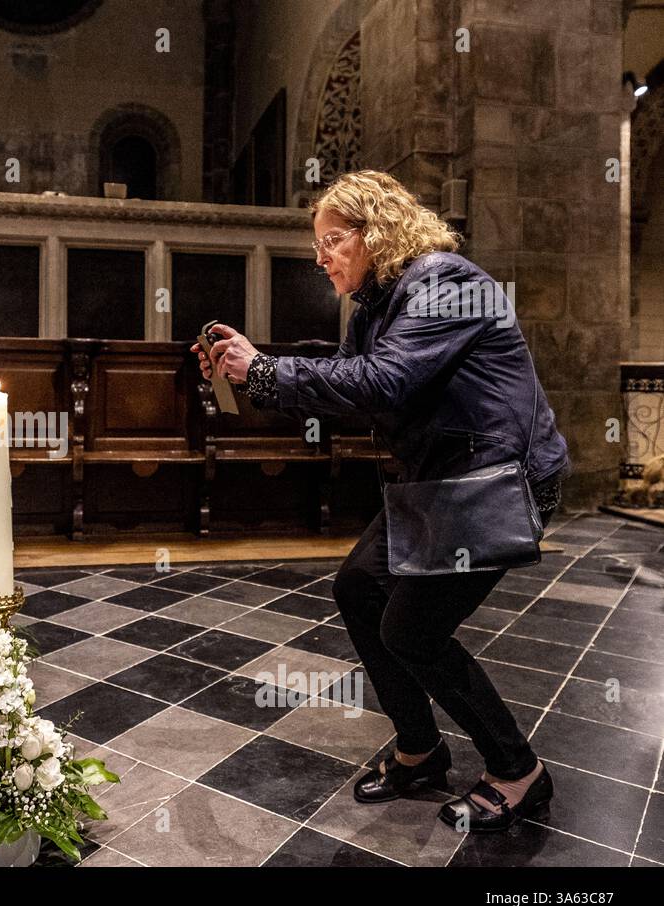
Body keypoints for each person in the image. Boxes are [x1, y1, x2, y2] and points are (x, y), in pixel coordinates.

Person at [193, 169, 571, 833]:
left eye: (333, 239)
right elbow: (352, 387)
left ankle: (518, 770)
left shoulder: (444, 282)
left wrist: (266, 369)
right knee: (359, 589)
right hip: (443, 480)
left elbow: (385, 381)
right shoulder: (378, 303)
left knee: (412, 630)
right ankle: (420, 751)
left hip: (495, 480)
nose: (320, 257)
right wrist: (250, 370)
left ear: (377, 231)